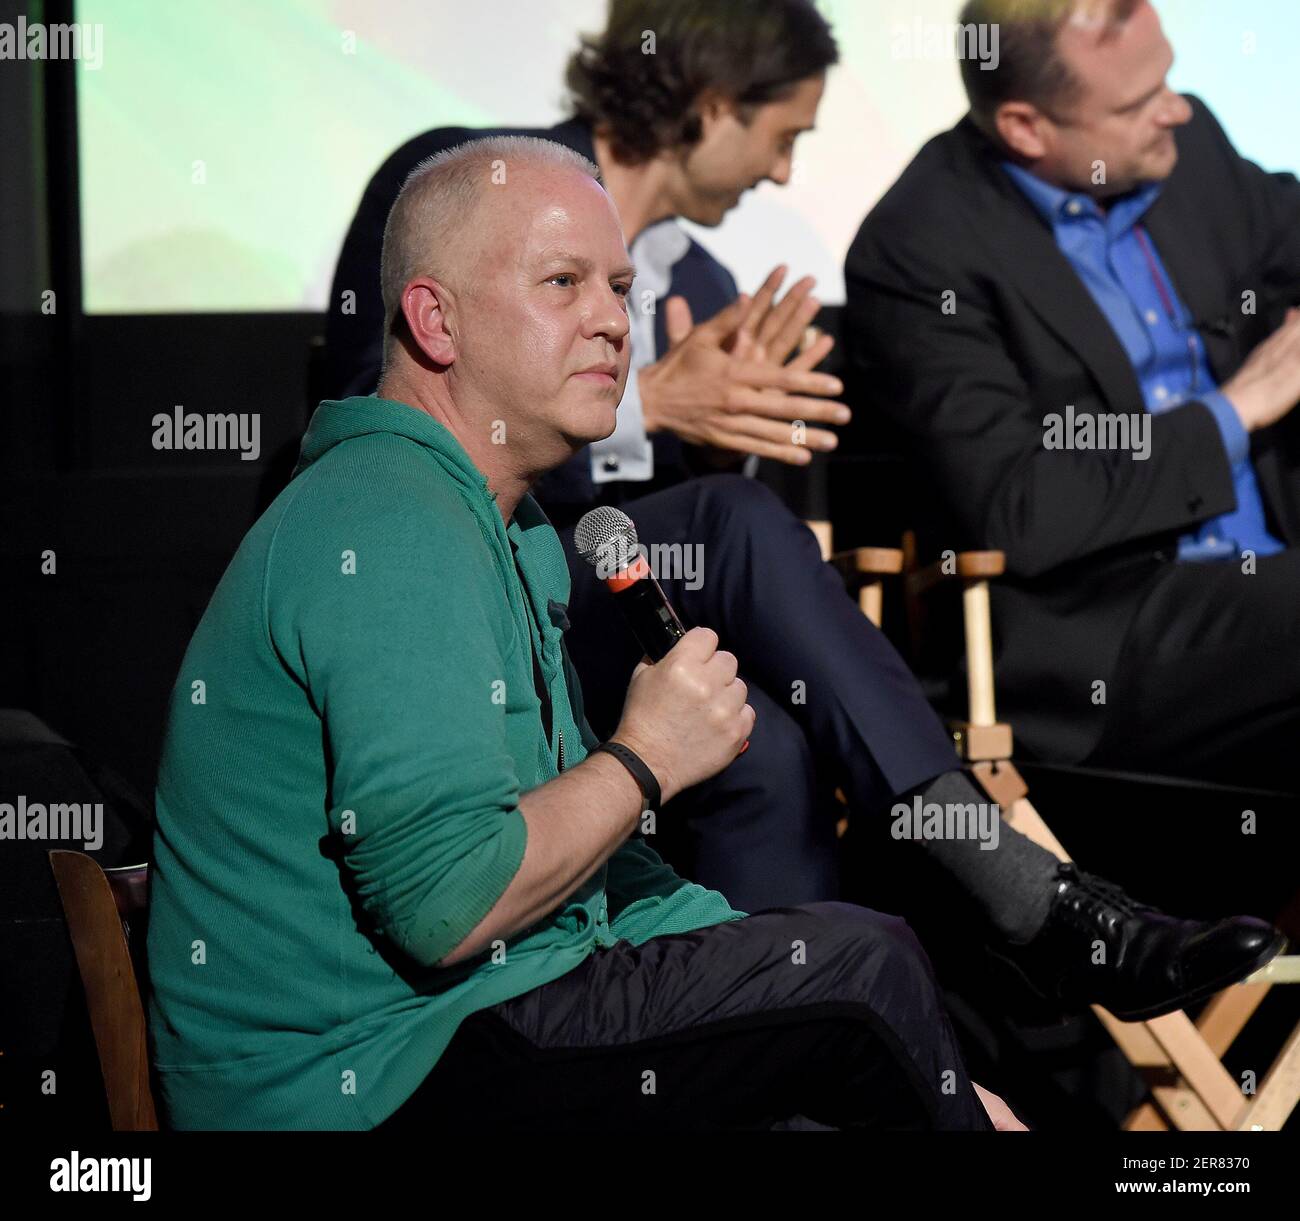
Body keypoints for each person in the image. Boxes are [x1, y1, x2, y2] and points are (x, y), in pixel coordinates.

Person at [322, 0, 1282, 1024]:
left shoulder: (701, 283)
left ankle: (776, 1054)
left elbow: (667, 544)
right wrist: (650, 406)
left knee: (761, 743)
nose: (782, 176)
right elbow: (369, 405)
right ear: (711, 102)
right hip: (447, 606)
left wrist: (715, 446)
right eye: (782, 139)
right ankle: (1024, 901)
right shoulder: (470, 185)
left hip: (584, 635)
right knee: (731, 526)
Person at [148, 136, 1021, 1131]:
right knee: (864, 968)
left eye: (615, 286)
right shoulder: (386, 523)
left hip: (472, 1021)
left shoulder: (501, 525)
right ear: (435, 320)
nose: (613, 320)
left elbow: (601, 883)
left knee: (847, 987)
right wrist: (646, 756)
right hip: (360, 1080)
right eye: (562, 284)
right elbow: (445, 908)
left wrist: (885, 1032)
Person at [844, 0, 1300, 793]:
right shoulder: (920, 246)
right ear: (1026, 127)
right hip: (1111, 629)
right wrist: (1233, 412)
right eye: (1135, 104)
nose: (1177, 109)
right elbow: (1018, 506)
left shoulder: (1189, 149)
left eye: (1170, 79)